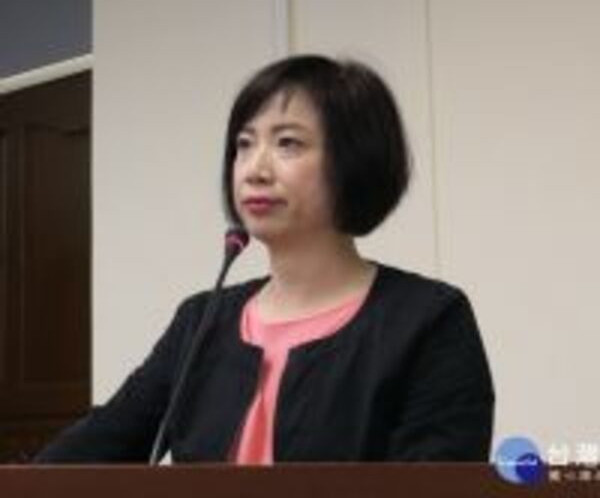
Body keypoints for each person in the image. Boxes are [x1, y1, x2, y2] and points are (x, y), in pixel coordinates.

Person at [35, 54, 494, 464]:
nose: (255, 169)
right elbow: (94, 449)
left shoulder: (428, 319)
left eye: (288, 143)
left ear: (355, 160)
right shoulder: (201, 321)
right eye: (244, 144)